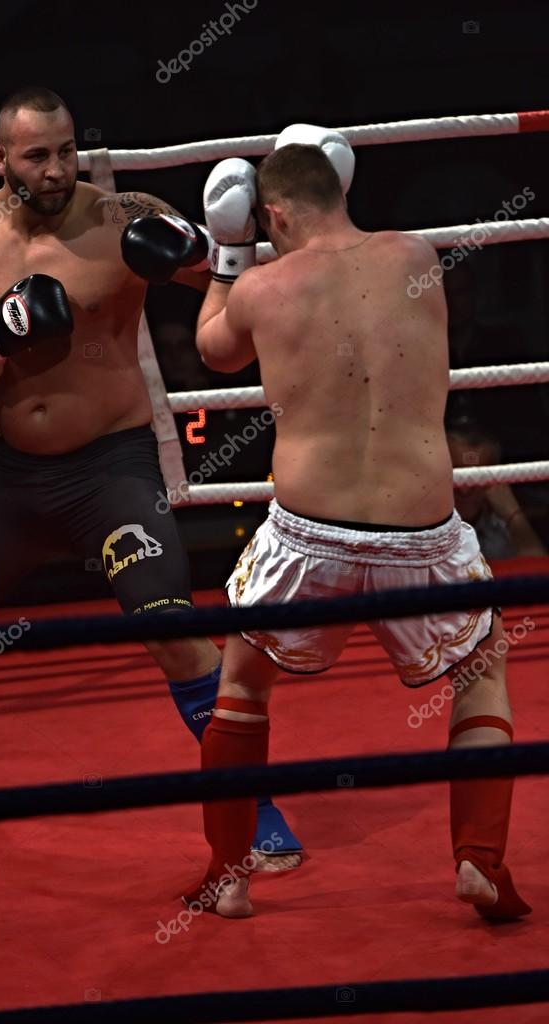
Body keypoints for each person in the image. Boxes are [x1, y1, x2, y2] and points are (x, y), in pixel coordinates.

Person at [0, 86, 302, 870]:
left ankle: (253, 803)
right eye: (37, 155)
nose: (56, 170)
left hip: (111, 469)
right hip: (6, 478)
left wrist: (217, 246)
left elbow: (247, 293)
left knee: (172, 628)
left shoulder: (124, 219)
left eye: (67, 151)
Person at [178, 127, 530, 919]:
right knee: (480, 679)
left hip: (309, 536)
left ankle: (229, 878)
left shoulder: (264, 290)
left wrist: (229, 254)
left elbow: (214, 351)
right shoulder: (417, 260)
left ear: (273, 215)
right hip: (426, 531)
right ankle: (477, 860)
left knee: (241, 684)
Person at [446, 415, 546, 559]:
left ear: (496, 479)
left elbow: (538, 574)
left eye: (478, 476)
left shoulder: (505, 523)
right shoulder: (423, 522)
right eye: (458, 475)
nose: (464, 489)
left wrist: (514, 515)